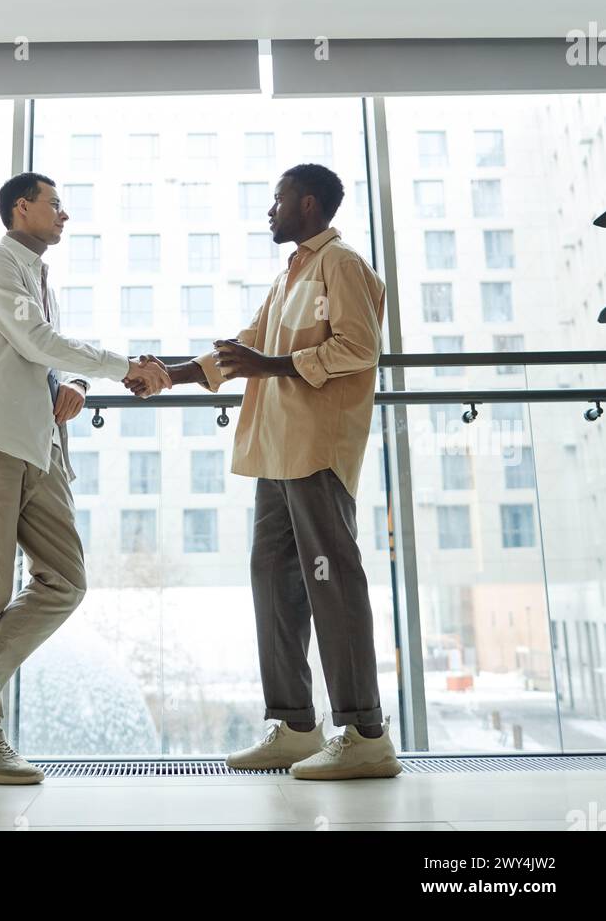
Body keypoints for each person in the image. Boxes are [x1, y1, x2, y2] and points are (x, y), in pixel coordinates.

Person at [127, 163, 400, 781]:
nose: (268, 212)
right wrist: (169, 374)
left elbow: (357, 348)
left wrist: (270, 364)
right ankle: (297, 726)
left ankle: (365, 732)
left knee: (333, 584)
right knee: (272, 583)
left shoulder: (344, 265)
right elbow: (239, 351)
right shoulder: (290, 277)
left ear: (307, 204)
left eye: (276, 201)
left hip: (317, 451)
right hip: (275, 454)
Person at [0, 172, 170, 789]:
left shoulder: (38, 278)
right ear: (20, 207)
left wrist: (74, 384)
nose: (65, 214)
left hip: (41, 447)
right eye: (56, 204)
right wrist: (121, 366)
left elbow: (37, 353)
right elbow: (31, 340)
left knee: (65, 581)